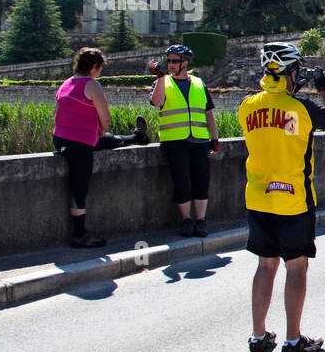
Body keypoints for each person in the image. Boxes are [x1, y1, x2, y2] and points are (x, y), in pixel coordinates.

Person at [239, 42, 325, 352]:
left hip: (258, 197)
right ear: (293, 73)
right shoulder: (302, 108)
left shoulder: (247, 106)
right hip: (293, 199)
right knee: (296, 267)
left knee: (265, 264)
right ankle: (293, 340)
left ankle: (258, 336)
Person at [52, 47, 149, 248]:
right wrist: (101, 129)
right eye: (100, 68)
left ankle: (136, 137)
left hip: (61, 140)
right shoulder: (92, 85)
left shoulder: (65, 83)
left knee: (105, 142)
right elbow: (105, 118)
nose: (100, 72)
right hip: (79, 144)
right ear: (94, 66)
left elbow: (57, 114)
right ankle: (80, 236)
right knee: (80, 187)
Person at [148, 43, 218, 237]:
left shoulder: (198, 83)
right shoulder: (162, 81)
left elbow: (208, 113)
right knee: (181, 182)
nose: (170, 64)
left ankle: (201, 220)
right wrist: (160, 77)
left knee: (201, 181)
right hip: (174, 141)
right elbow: (157, 102)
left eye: (174, 61)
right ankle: (186, 220)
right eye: (169, 60)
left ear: (185, 63)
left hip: (199, 139)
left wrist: (214, 138)